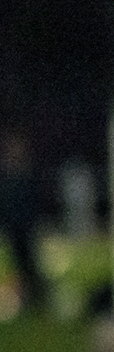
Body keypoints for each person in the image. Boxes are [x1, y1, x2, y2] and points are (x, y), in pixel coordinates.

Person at [1, 129, 50, 316]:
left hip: (26, 229)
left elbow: (34, 204)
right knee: (19, 265)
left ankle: (36, 296)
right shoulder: (9, 178)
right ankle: (27, 298)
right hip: (14, 230)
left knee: (30, 264)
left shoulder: (25, 177)